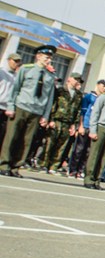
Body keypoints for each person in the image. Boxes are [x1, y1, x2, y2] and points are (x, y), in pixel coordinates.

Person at [0, 44, 57, 177]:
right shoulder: (26, 69)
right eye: (46, 57)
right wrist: (10, 106)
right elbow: (15, 89)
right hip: (21, 107)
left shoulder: (50, 76)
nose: (48, 60)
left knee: (26, 141)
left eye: (50, 58)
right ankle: (4, 164)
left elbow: (49, 99)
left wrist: (46, 116)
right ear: (38, 56)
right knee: (11, 137)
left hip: (36, 111)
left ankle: (16, 166)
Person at [42, 73, 85, 173]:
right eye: (75, 79)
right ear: (69, 79)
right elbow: (53, 105)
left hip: (68, 123)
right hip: (57, 119)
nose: (77, 82)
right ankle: (43, 164)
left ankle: (54, 166)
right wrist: (51, 119)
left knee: (61, 146)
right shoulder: (60, 90)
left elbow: (78, 111)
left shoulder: (78, 95)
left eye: (79, 80)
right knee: (49, 143)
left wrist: (74, 125)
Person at [0, 53, 22, 148]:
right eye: (15, 61)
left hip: (8, 109)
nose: (16, 63)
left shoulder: (17, 76)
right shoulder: (1, 72)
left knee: (2, 134)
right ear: (9, 60)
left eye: (18, 62)